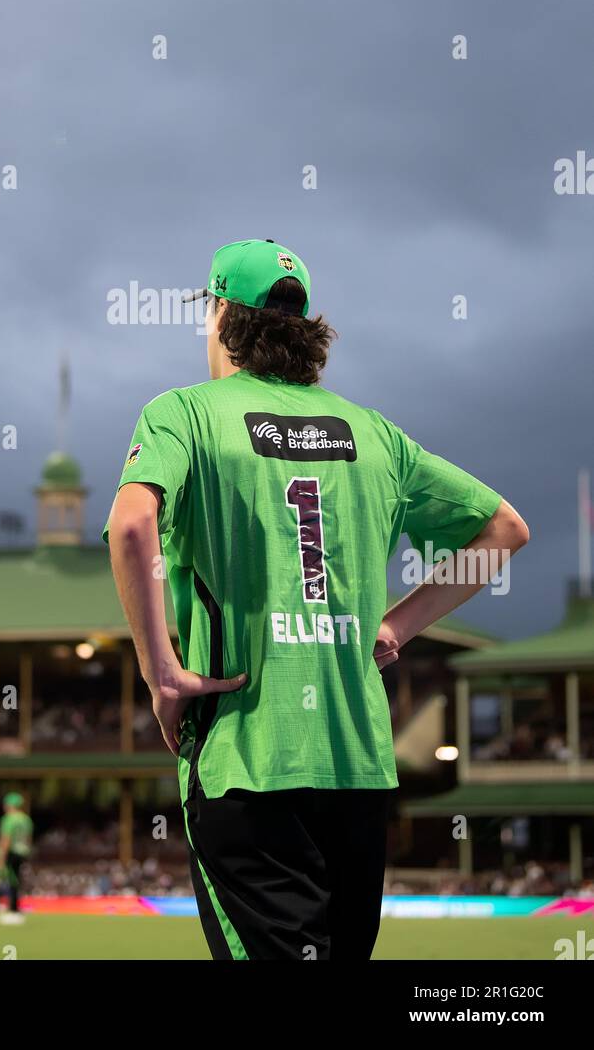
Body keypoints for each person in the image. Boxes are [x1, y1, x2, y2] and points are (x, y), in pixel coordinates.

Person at [105, 238, 529, 961]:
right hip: (359, 768)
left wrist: (160, 671)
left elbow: (131, 523)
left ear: (219, 316)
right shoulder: (375, 434)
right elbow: (505, 528)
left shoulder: (184, 414)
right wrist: (398, 625)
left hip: (245, 759)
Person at [0, 791, 33, 926]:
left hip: (12, 852)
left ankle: (13, 910)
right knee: (17, 880)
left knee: (12, 880)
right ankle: (15, 908)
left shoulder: (8, 819)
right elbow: (29, 839)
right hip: (23, 852)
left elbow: (6, 839)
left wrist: (1, 857)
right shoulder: (26, 819)